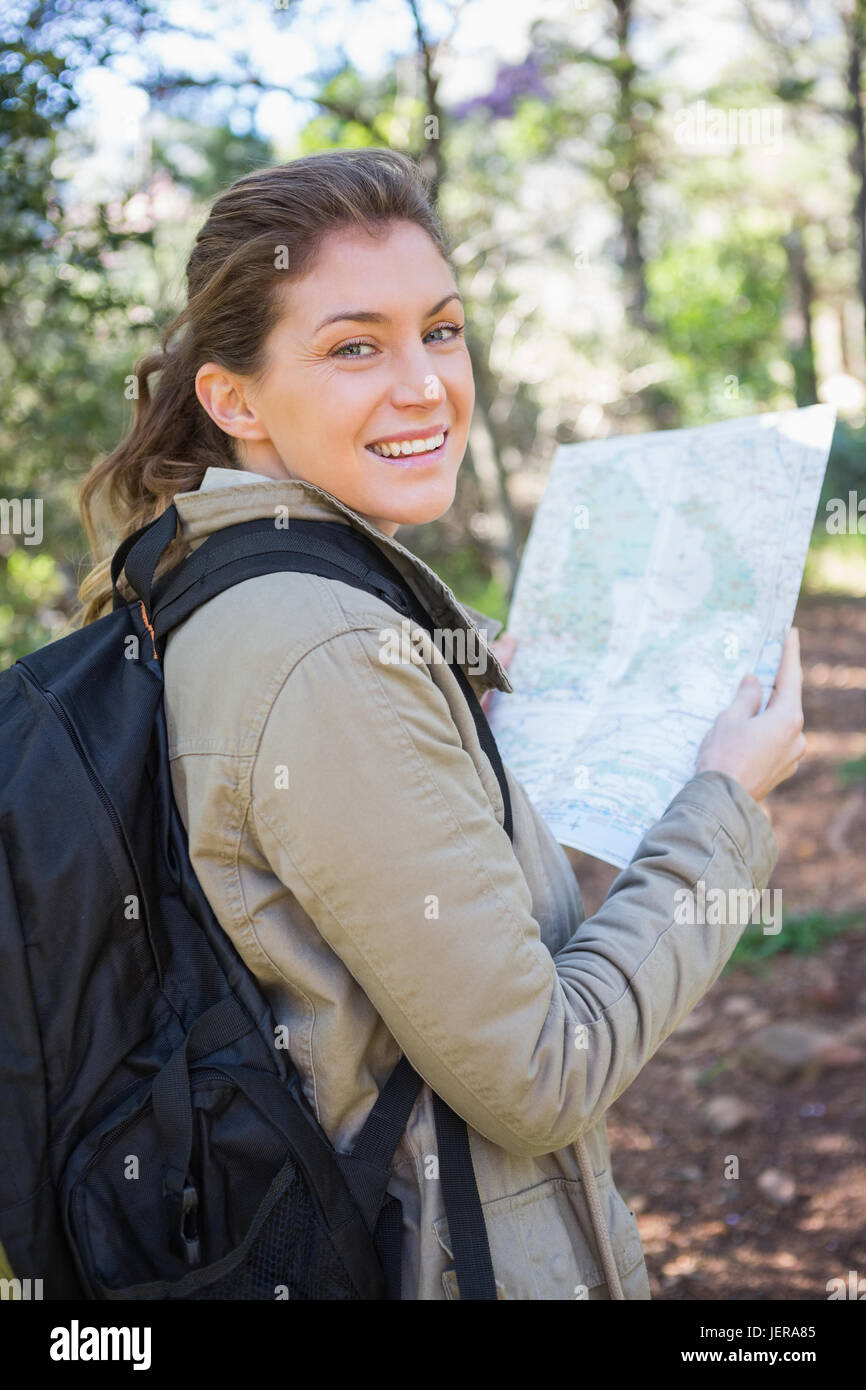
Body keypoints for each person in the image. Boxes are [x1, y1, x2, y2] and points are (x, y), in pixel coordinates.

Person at [72, 147, 806, 1300]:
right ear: (234, 397)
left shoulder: (230, 586)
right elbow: (539, 1074)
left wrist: (465, 732)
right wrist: (720, 806)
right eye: (354, 345)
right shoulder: (323, 645)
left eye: (443, 330)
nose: (423, 384)